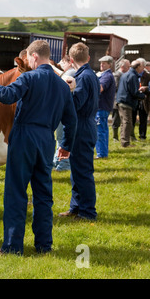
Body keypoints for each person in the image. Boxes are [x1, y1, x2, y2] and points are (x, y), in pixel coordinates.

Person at [0, 40, 77, 255]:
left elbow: (6, 96)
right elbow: (71, 120)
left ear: (34, 57)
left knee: (16, 192)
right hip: (47, 140)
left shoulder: (29, 77)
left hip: (24, 136)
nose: (27, 62)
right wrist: (65, 146)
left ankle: (12, 247)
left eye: (28, 58)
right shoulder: (62, 85)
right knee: (43, 194)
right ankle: (44, 245)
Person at [59, 42, 99, 221]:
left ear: (71, 59)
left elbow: (76, 104)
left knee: (83, 172)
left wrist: (68, 92)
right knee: (77, 171)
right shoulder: (90, 74)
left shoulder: (82, 77)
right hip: (86, 125)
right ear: (88, 58)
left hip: (82, 126)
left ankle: (88, 211)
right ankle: (76, 207)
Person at [53, 55, 76, 171]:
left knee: (62, 138)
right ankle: (57, 161)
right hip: (64, 110)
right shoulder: (69, 73)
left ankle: (63, 164)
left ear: (69, 62)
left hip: (64, 110)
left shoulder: (69, 74)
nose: (61, 64)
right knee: (60, 137)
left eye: (63, 62)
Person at [116, 59, 146, 147]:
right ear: (138, 67)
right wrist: (143, 96)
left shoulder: (126, 74)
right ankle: (125, 143)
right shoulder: (133, 76)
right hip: (126, 102)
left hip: (121, 100)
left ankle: (123, 140)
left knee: (124, 122)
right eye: (142, 67)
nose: (143, 69)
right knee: (127, 122)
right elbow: (134, 92)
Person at [95, 55, 116, 158]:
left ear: (110, 64)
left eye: (104, 63)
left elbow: (100, 88)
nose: (101, 65)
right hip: (103, 106)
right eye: (101, 63)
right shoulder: (105, 75)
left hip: (101, 107)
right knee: (103, 129)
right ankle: (103, 152)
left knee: (100, 131)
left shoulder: (107, 76)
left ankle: (102, 154)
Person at [112, 59, 131, 141]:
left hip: (122, 100)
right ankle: (115, 137)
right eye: (128, 66)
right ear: (123, 66)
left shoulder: (125, 74)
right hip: (117, 100)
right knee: (116, 119)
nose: (129, 68)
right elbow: (115, 88)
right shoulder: (117, 75)